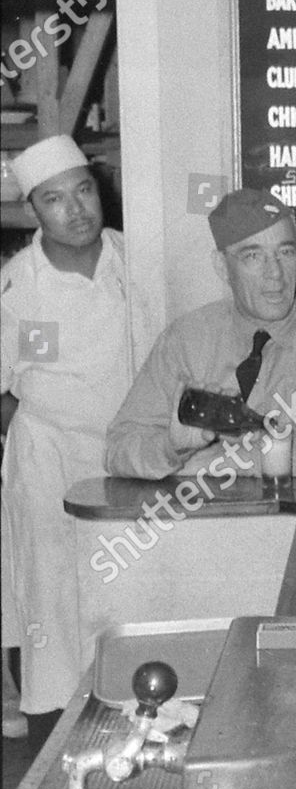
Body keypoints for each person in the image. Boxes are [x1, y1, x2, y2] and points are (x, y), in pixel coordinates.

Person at [1, 135, 143, 742]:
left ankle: (132, 726)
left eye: (83, 190)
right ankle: (50, 733)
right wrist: (34, 442)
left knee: (129, 593)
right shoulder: (16, 286)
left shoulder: (135, 260)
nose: (75, 209)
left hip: (133, 460)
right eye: (54, 199)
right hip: (49, 460)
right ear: (34, 211)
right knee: (51, 602)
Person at [106, 189, 296, 478]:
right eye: (253, 256)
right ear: (222, 266)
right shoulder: (187, 338)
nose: (275, 273)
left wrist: (211, 463)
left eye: (285, 252)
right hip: (207, 519)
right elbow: (119, 450)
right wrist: (173, 448)